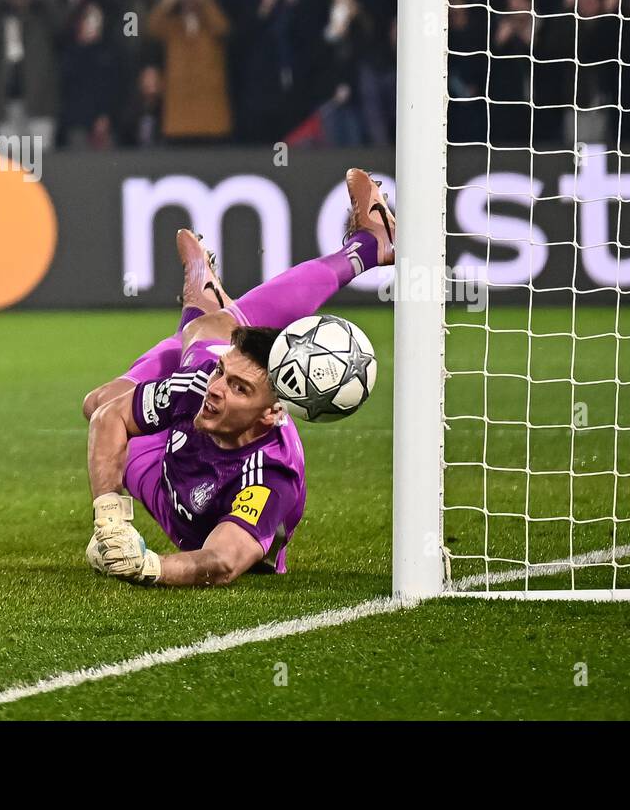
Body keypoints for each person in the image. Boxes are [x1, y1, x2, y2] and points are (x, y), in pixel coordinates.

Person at [82, 168, 395, 587]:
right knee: (106, 398)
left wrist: (146, 566)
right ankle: (367, 248)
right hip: (178, 448)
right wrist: (110, 520)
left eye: (239, 389)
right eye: (222, 374)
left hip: (170, 493)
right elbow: (109, 416)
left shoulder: (271, 473)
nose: (215, 390)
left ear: (271, 414)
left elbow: (221, 560)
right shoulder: (203, 386)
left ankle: (204, 305)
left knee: (202, 331)